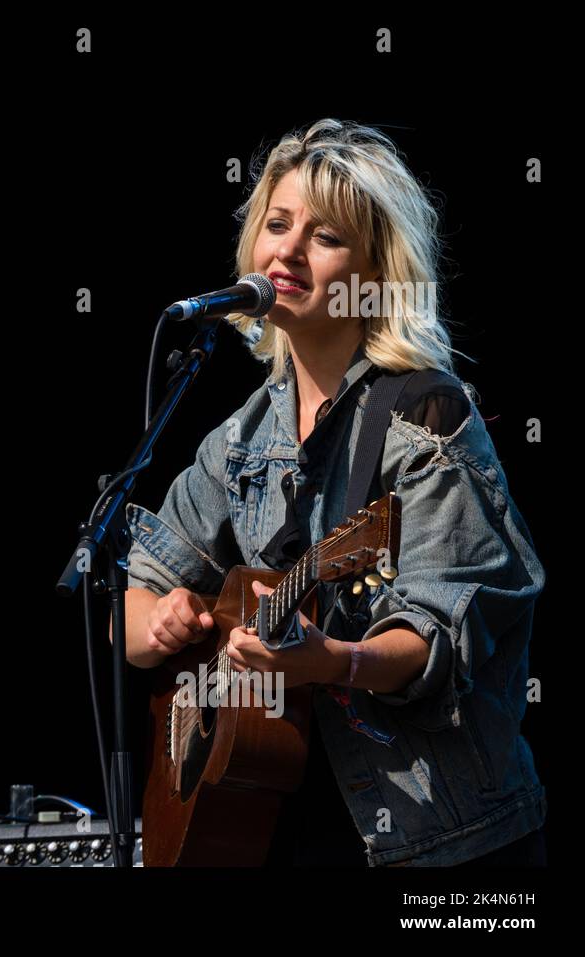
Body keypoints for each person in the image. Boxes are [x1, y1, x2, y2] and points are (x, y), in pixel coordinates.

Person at [122, 119, 546, 866]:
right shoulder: (243, 434)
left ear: (376, 273)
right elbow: (138, 588)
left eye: (324, 237)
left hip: (438, 840)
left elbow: (436, 641)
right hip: (277, 821)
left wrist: (335, 661)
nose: (286, 250)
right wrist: (157, 618)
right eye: (276, 224)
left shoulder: (428, 419)